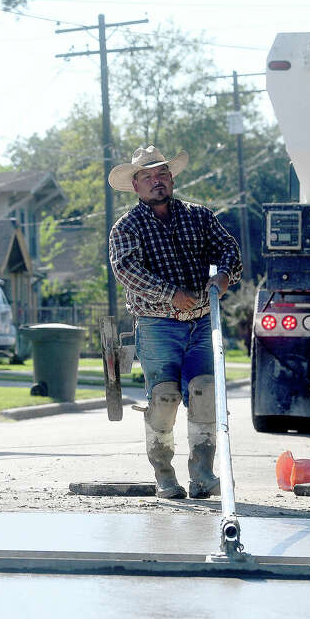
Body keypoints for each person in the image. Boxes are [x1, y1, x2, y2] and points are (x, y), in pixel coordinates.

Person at [108, 146, 242, 499]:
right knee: (164, 399)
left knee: (203, 393)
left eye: (162, 174)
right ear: (135, 185)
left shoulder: (199, 217)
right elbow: (126, 270)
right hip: (157, 324)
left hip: (199, 322)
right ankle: (164, 474)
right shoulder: (127, 227)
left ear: (172, 179)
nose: (157, 181)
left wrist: (225, 275)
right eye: (148, 177)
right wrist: (170, 293)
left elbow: (228, 249)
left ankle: (203, 474)